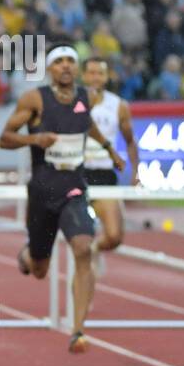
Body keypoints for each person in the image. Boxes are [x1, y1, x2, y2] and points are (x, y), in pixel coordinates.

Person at [0, 45, 125, 353]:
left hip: (74, 187)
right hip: (43, 190)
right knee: (40, 268)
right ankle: (29, 254)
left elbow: (86, 125)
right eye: (60, 62)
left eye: (71, 61)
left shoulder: (87, 97)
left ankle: (77, 330)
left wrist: (109, 148)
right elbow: (5, 138)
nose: (66, 66)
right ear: (51, 69)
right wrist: (34, 139)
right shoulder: (35, 99)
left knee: (83, 248)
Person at [80, 55, 139, 265]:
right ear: (84, 75)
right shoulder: (70, 101)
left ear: (107, 77)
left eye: (100, 73)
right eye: (92, 72)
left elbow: (131, 141)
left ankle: (94, 249)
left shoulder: (118, 106)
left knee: (114, 236)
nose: (96, 77)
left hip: (103, 174)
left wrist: (135, 174)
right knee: (76, 239)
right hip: (76, 173)